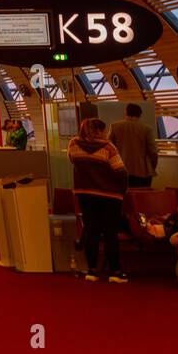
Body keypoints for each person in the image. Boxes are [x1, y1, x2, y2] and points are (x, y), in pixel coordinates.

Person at [68, 118, 129, 283]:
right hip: (110, 196)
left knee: (91, 230)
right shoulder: (108, 147)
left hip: (85, 193)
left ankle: (92, 270)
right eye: (102, 130)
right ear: (98, 131)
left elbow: (73, 161)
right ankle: (115, 270)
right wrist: (122, 191)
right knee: (110, 233)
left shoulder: (73, 144)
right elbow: (120, 171)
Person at [109, 103, 158, 188]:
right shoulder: (147, 129)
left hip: (120, 170)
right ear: (140, 114)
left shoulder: (114, 126)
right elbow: (153, 152)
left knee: (124, 197)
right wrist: (153, 166)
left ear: (126, 112)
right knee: (142, 198)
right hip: (143, 171)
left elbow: (109, 148)